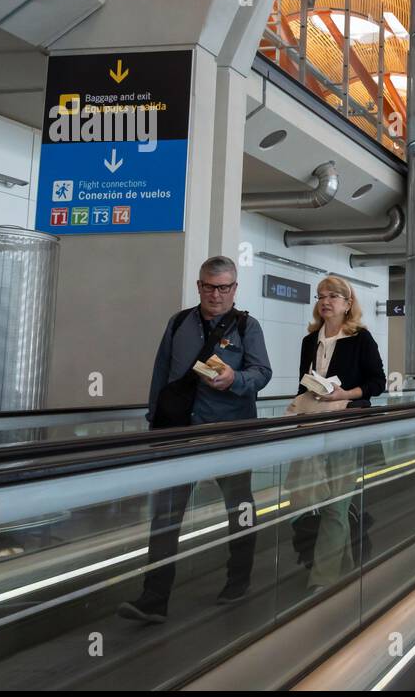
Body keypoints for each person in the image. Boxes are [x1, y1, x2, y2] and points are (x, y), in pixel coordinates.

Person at [118, 256, 273, 624]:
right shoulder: (179, 324)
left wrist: (235, 379)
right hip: (180, 433)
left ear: (234, 289)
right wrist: (154, 425)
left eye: (223, 288)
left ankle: (239, 580)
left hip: (228, 433)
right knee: (166, 515)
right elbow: (161, 374)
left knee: (239, 508)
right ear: (198, 286)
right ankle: (154, 598)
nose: (215, 294)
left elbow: (263, 372)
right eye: (208, 286)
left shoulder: (247, 327)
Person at [294, 276, 387, 591]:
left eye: (333, 296)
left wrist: (344, 393)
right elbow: (302, 385)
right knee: (304, 501)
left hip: (345, 428)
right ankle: (345, 564)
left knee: (335, 504)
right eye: (321, 296)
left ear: (348, 303)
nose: (325, 301)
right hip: (312, 430)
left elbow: (377, 383)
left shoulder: (360, 338)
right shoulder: (310, 340)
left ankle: (323, 580)